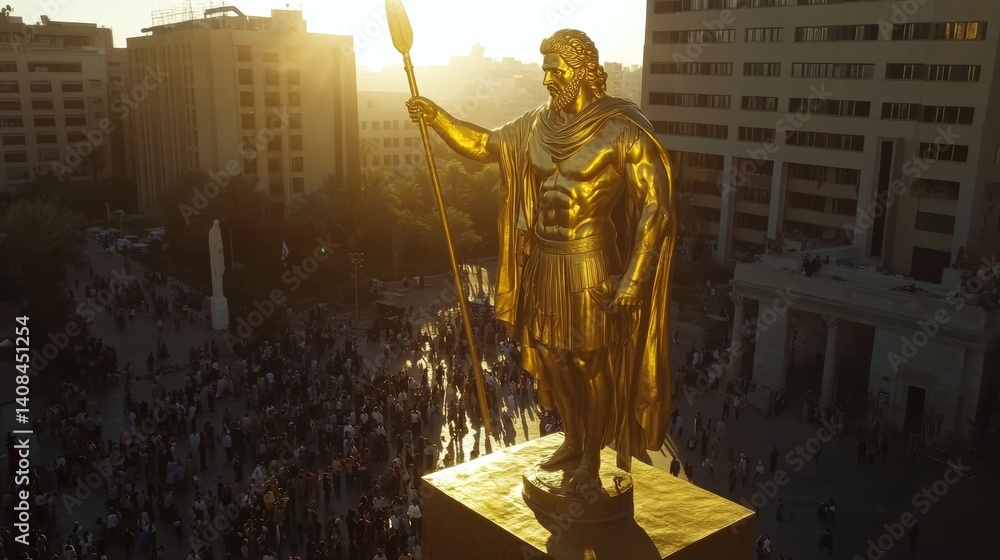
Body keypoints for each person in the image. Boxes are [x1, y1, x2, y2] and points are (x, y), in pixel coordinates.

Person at [407, 28, 676, 493]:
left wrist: (633, 279)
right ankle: (574, 439)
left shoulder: (621, 129)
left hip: (590, 262)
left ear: (582, 69)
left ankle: (593, 457)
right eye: (545, 69)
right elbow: (484, 145)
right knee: (554, 356)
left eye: (555, 69)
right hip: (544, 263)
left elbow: (658, 206)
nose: (547, 78)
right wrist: (437, 118)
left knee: (589, 363)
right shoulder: (535, 124)